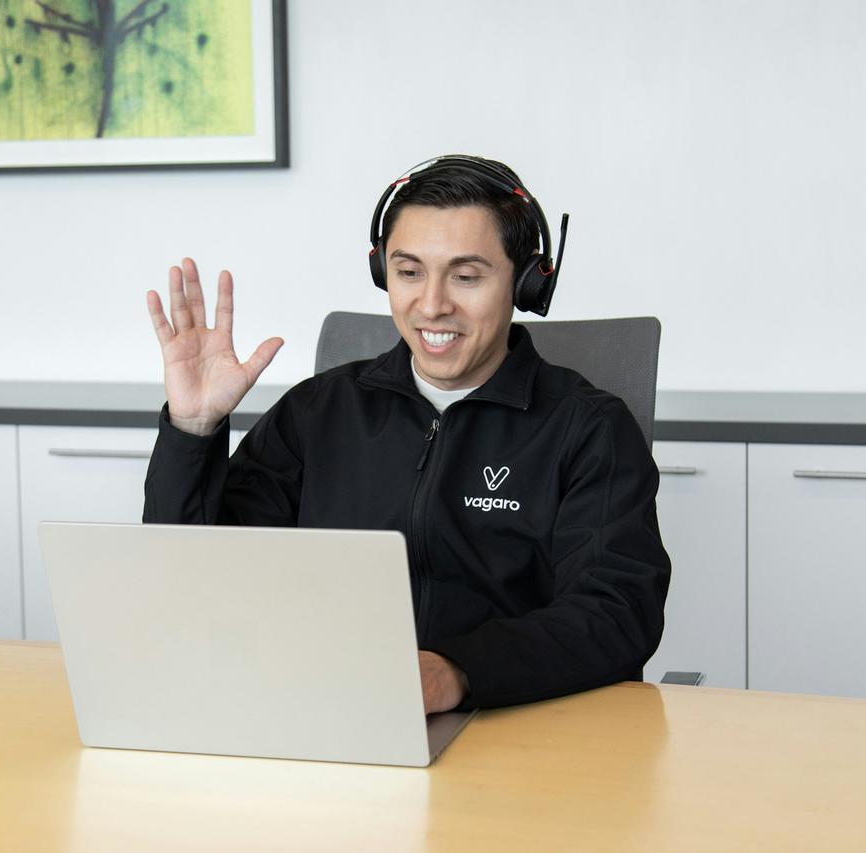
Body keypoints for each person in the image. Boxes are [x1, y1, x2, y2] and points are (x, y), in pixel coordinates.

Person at [143, 155, 670, 713]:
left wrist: (455, 672)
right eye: (409, 272)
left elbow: (617, 612)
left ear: (525, 282)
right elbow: (195, 582)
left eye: (466, 276)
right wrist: (193, 431)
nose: (432, 304)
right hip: (331, 711)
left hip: (518, 727)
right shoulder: (317, 412)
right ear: (383, 274)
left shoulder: (587, 428)